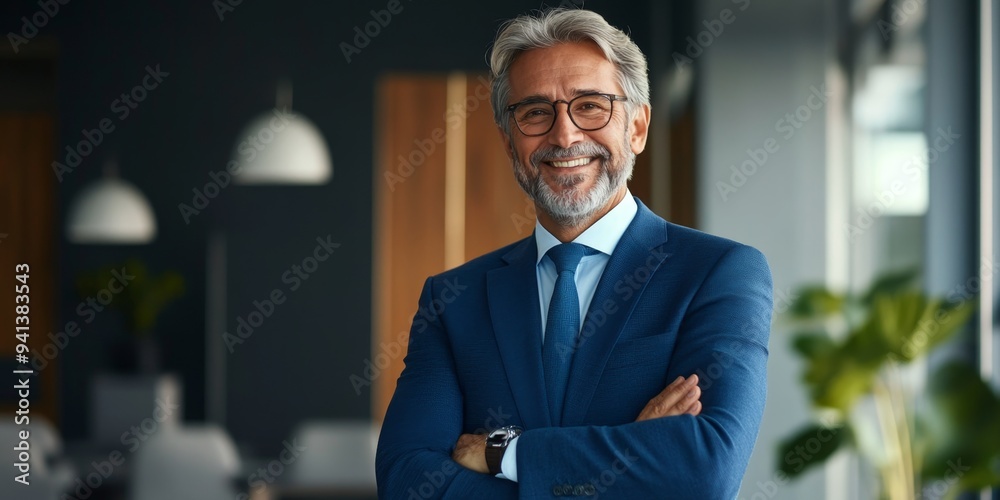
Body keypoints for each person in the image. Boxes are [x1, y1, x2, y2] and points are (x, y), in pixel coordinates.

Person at [376, 8, 772, 499]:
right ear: (508, 142)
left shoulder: (718, 274)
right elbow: (406, 480)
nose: (564, 135)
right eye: (535, 112)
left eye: (591, 106)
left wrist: (505, 453)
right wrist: (634, 458)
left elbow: (705, 468)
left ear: (637, 128)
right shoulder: (453, 299)